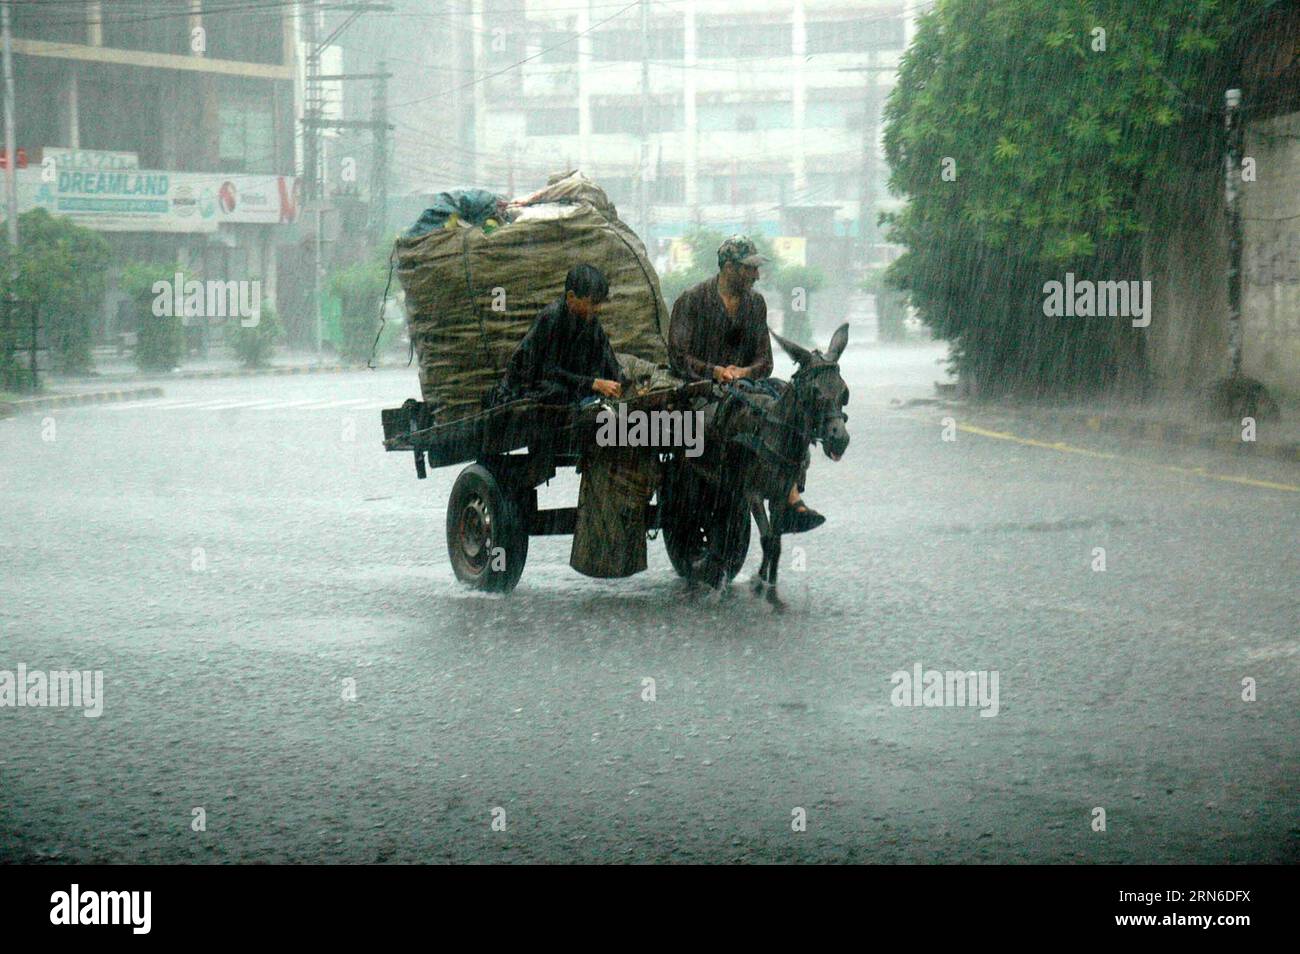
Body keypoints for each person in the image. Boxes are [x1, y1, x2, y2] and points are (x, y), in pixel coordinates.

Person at [667, 235, 823, 533]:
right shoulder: (692, 300)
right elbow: (677, 356)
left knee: (790, 407)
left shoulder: (755, 304)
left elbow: (765, 361)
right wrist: (714, 372)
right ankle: (755, 489)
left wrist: (745, 372)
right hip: (702, 391)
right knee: (728, 423)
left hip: (747, 389)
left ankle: (790, 493)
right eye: (749, 269)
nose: (756, 275)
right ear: (728, 268)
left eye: (756, 269)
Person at [488, 263, 624, 406]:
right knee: (557, 393)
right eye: (593, 303)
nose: (598, 308)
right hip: (529, 386)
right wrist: (591, 383)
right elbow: (545, 369)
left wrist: (621, 384)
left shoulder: (589, 320)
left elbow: (605, 355)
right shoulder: (551, 318)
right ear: (571, 297)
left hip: (566, 382)